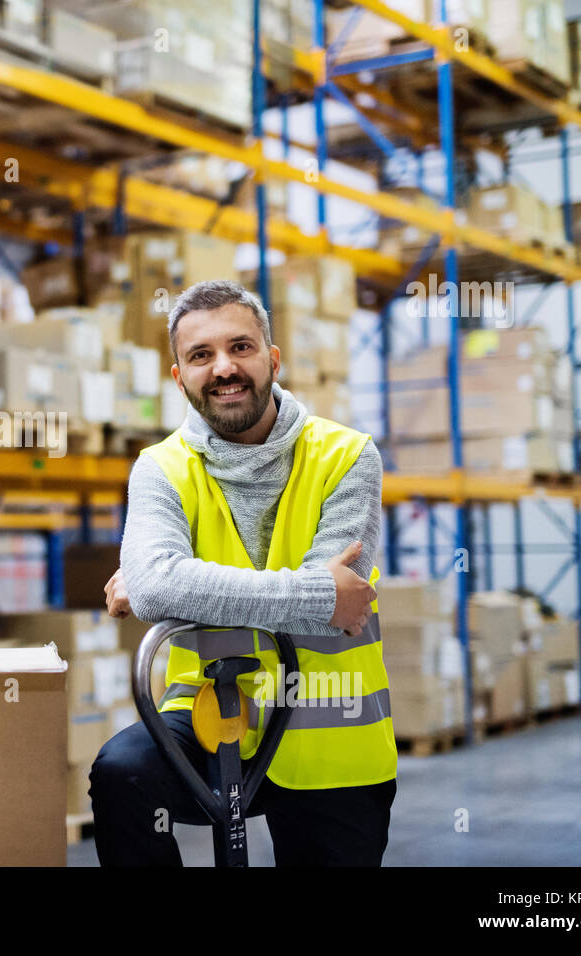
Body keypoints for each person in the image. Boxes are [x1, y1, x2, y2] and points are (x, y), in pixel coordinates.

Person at [91, 279, 397, 867]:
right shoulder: (160, 469)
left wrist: (172, 587)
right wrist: (314, 593)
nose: (224, 368)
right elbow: (324, 601)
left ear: (272, 359)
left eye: (241, 347)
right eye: (201, 355)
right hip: (208, 717)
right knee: (122, 775)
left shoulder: (347, 456)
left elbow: (343, 615)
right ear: (179, 377)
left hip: (330, 731)